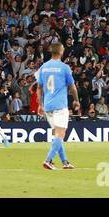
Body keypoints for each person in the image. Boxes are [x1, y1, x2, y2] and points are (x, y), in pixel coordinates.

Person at [37, 41, 79, 170]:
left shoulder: (43, 67)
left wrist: (40, 104)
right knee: (61, 134)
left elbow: (39, 88)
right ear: (61, 51)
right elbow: (72, 86)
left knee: (57, 134)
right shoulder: (64, 67)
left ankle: (65, 162)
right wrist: (76, 100)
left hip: (48, 105)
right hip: (60, 105)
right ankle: (48, 160)